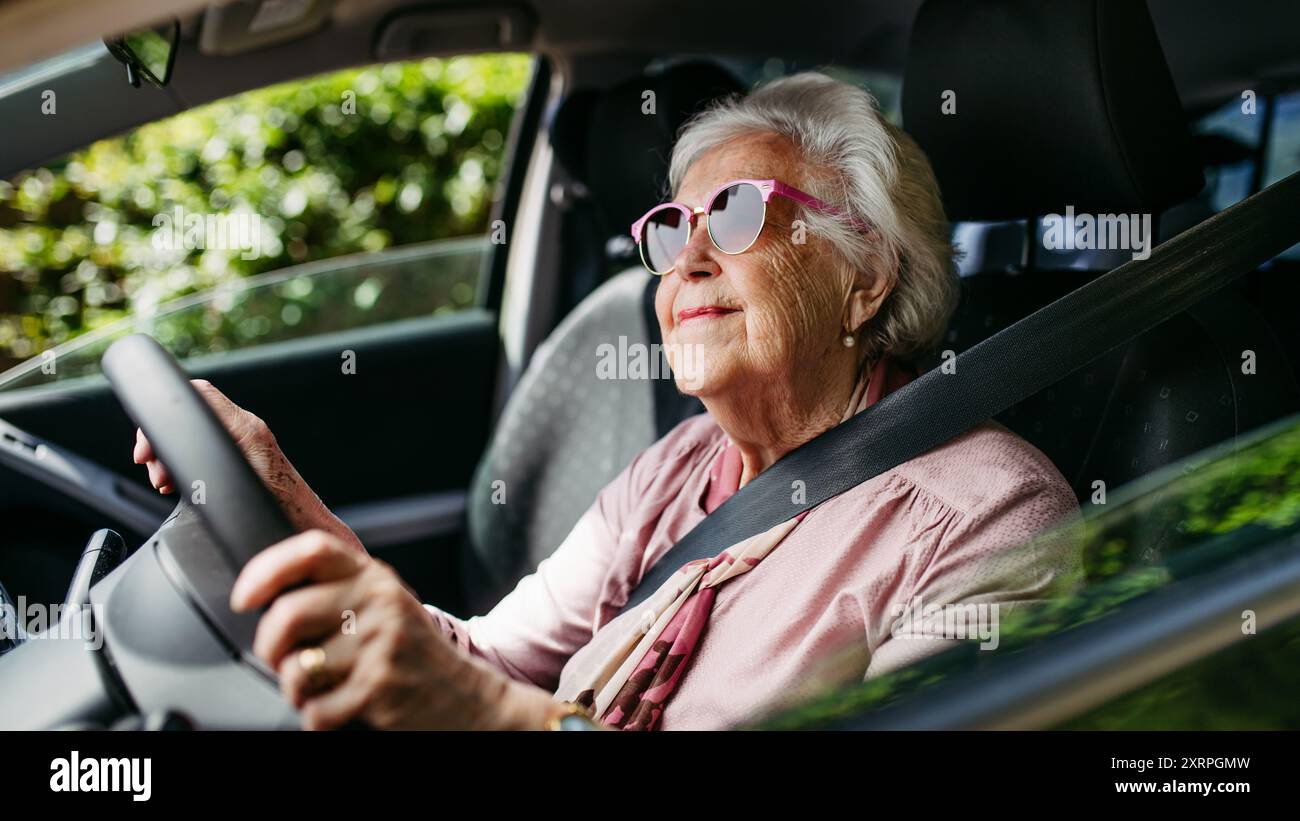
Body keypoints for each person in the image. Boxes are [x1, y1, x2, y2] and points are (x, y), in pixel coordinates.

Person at [135, 72, 1081, 730]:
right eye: (671, 231)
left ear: (866, 274)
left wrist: (486, 716)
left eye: (742, 213)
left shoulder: (985, 519)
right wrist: (283, 500)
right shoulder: (672, 472)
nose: (691, 258)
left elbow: (482, 702)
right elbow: (483, 663)